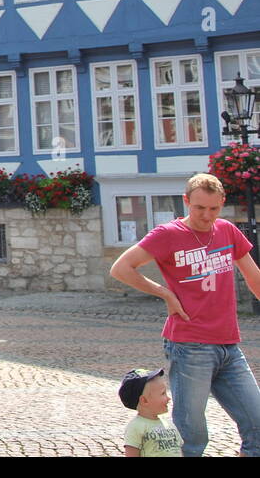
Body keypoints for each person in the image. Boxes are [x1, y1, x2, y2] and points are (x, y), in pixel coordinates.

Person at [110, 172, 260, 457]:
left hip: (229, 345)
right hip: (189, 346)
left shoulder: (227, 230)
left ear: (222, 203)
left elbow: (255, 278)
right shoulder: (167, 234)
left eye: (213, 209)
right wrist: (165, 293)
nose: (206, 215)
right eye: (199, 208)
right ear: (186, 201)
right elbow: (121, 268)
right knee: (192, 436)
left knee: (257, 424)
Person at [120, 368, 182, 457]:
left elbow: (178, 451)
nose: (168, 398)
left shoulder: (168, 424)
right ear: (144, 401)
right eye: (163, 393)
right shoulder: (136, 427)